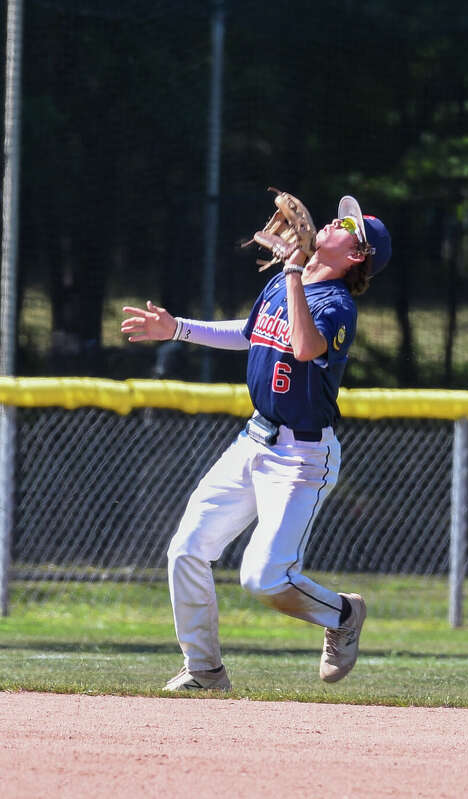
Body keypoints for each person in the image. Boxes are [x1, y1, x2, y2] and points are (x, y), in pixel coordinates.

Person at [121, 195, 391, 692]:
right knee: (186, 549)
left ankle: (344, 613)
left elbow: (307, 348)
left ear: (357, 256)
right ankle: (203, 669)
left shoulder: (337, 305)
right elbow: (248, 334)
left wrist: (293, 273)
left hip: (300, 458)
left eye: (348, 226)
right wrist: (177, 328)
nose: (333, 221)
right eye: (338, 215)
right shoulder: (280, 283)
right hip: (253, 439)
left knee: (264, 579)